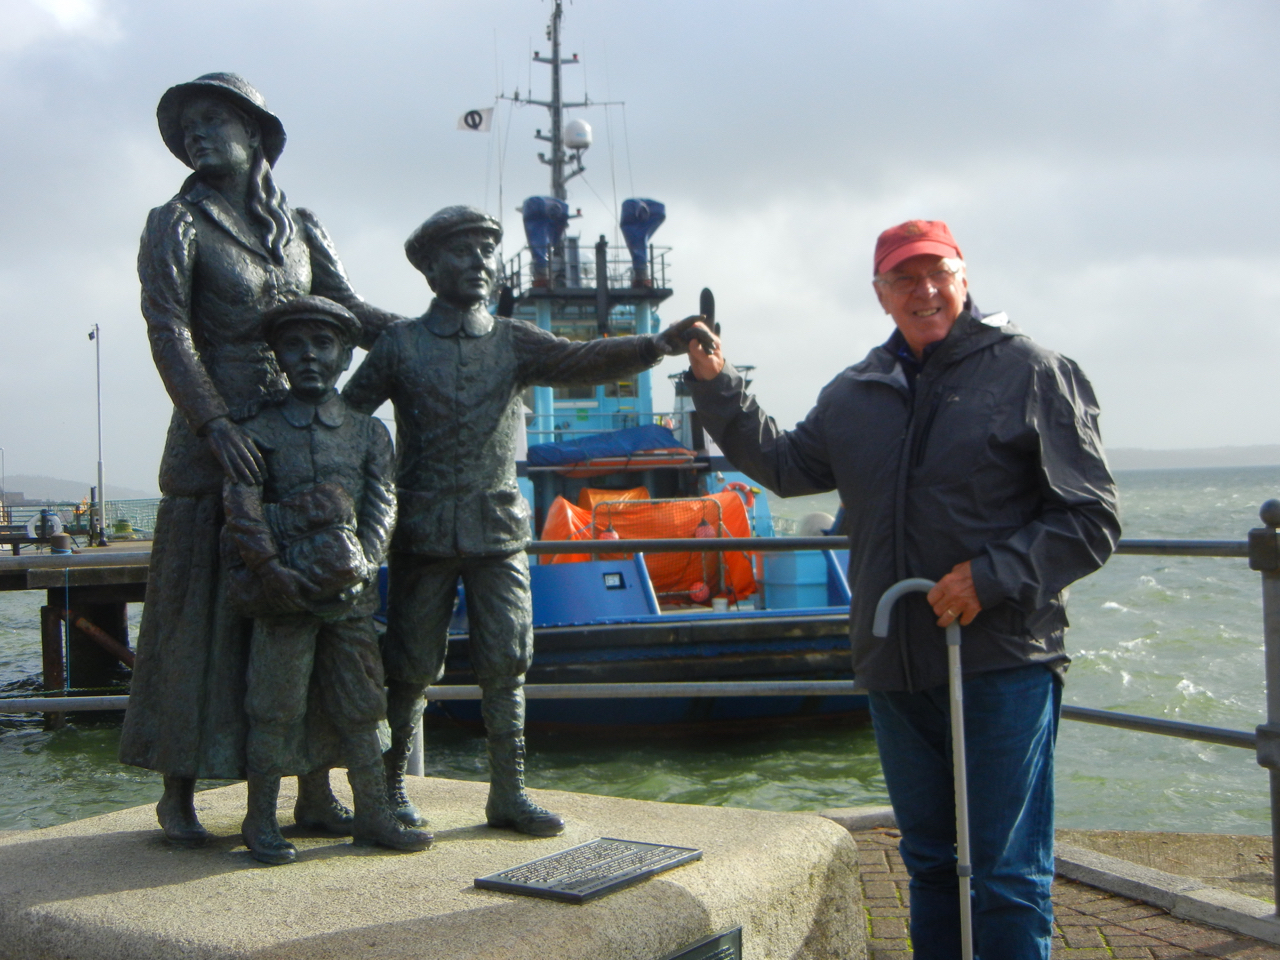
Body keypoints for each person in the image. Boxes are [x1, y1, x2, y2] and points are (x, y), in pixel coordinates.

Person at [684, 219, 1119, 959]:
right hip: (895, 665)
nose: (924, 292)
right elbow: (788, 467)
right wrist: (715, 387)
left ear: (964, 278)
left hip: (1002, 658)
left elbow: (1090, 518)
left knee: (1007, 873)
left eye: (937, 274)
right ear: (881, 295)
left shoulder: (1031, 372)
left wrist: (990, 575)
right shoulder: (856, 393)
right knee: (930, 863)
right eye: (904, 279)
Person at [343, 205, 708, 837]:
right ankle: (391, 790)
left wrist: (660, 344)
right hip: (423, 532)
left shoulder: (513, 341)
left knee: (508, 660)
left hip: (498, 532)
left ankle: (507, 793)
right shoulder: (400, 346)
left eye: (487, 252)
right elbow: (348, 420)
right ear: (430, 267)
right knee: (408, 665)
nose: (479, 263)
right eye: (462, 252)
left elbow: (584, 360)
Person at [119, 73, 401, 846]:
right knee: (195, 625)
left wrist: (425, 339)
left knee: (305, 610)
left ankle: (313, 791)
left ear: (255, 132)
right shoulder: (173, 222)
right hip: (220, 444)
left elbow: (351, 311)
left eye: (213, 120)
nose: (196, 135)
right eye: (186, 127)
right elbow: (169, 330)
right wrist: (213, 423)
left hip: (303, 442)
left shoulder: (303, 226)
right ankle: (178, 791)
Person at [221, 296, 431, 864]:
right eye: (294, 344)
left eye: (323, 345)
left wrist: (364, 563)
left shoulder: (368, 433)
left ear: (344, 357)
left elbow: (382, 505)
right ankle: (260, 818)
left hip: (349, 597)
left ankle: (374, 814)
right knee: (275, 705)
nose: (309, 356)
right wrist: (270, 570)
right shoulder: (256, 429)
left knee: (364, 703)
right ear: (278, 355)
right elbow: (243, 508)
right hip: (282, 596)